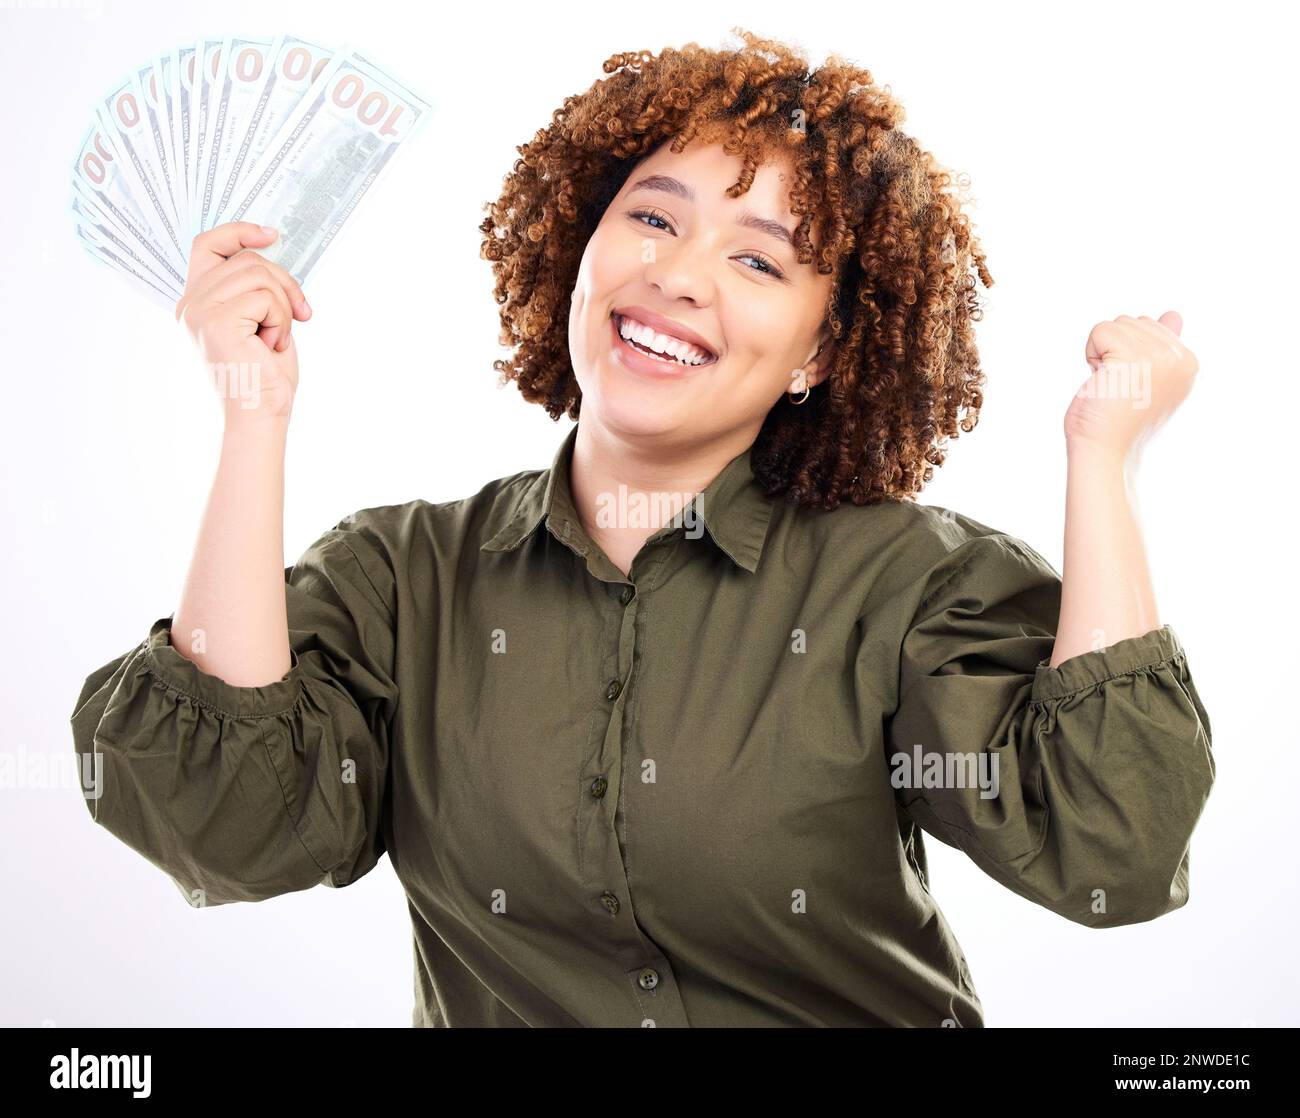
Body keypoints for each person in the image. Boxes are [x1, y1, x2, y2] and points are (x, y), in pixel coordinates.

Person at [70, 29, 1215, 1027]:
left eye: (758, 257)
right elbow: (222, 827)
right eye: (653, 218)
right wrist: (251, 417)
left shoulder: (909, 581)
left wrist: (1101, 460)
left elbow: (1109, 852)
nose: (677, 275)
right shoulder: (402, 576)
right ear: (579, 244)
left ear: (821, 352)